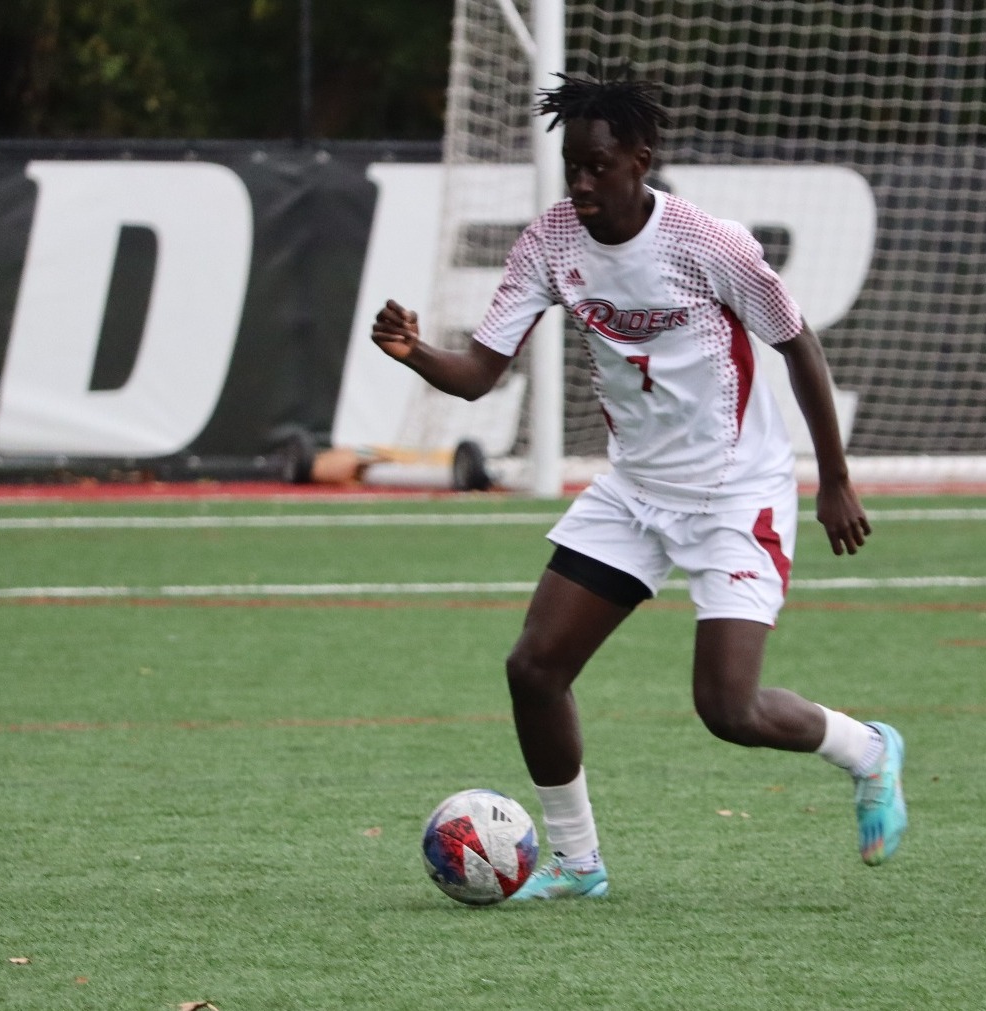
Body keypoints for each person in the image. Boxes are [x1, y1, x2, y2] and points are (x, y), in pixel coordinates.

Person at [369, 73, 905, 900]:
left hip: (735, 490)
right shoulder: (549, 242)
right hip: (634, 491)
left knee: (729, 709)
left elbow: (799, 345)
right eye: (570, 170)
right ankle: (577, 862)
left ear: (638, 160)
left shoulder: (707, 242)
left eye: (596, 167)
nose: (579, 186)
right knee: (533, 667)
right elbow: (479, 372)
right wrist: (414, 352)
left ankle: (867, 748)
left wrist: (833, 478)